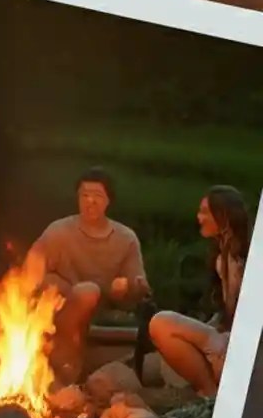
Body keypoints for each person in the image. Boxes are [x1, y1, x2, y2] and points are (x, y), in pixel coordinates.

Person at [29, 167, 150, 383]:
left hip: (103, 309)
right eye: (85, 195)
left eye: (97, 196)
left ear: (108, 201)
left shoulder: (125, 238)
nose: (90, 201)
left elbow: (140, 287)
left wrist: (128, 287)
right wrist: (53, 284)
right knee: (85, 292)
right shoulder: (59, 231)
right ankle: (65, 364)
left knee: (89, 292)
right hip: (60, 308)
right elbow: (28, 272)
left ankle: (71, 369)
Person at [147, 185, 251, 397]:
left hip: (239, 346)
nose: (198, 217)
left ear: (224, 216)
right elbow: (226, 311)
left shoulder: (244, 260)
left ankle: (211, 395)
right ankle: (210, 394)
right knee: (165, 329)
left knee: (162, 322)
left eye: (205, 211)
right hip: (226, 336)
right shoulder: (223, 255)